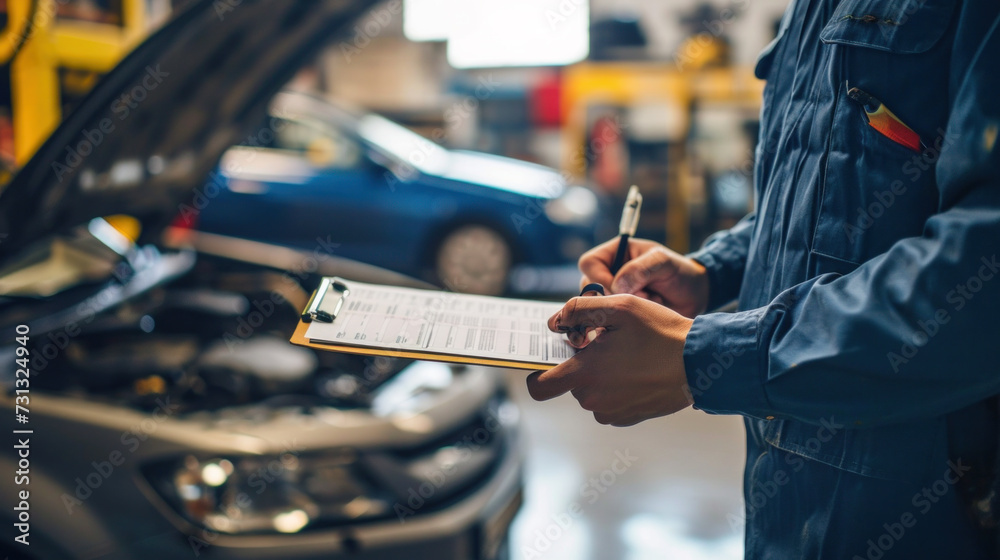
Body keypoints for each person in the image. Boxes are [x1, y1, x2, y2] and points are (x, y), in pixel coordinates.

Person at [526, 0, 1000, 557]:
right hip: (786, 498)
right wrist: (709, 272)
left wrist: (701, 355)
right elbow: (824, 199)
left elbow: (981, 274)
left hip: (930, 511)